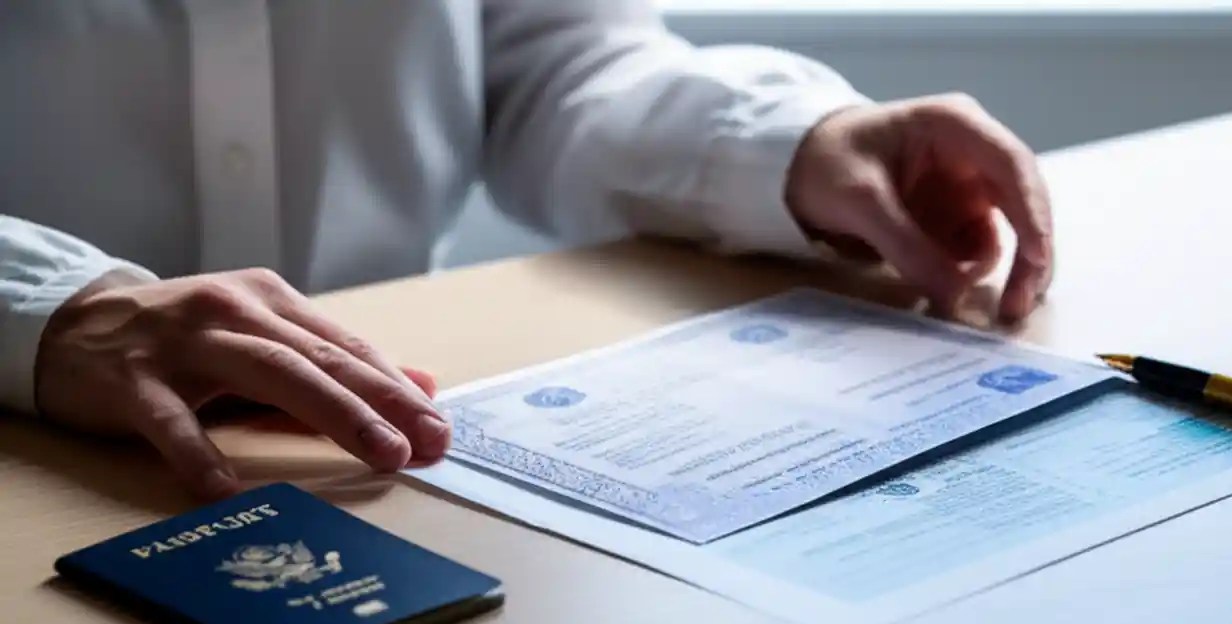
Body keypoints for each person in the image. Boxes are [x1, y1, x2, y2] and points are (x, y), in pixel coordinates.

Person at [0, 2, 1053, 500]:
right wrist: (43, 308)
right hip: (38, 458)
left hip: (371, 458)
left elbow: (546, 58)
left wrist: (783, 146)